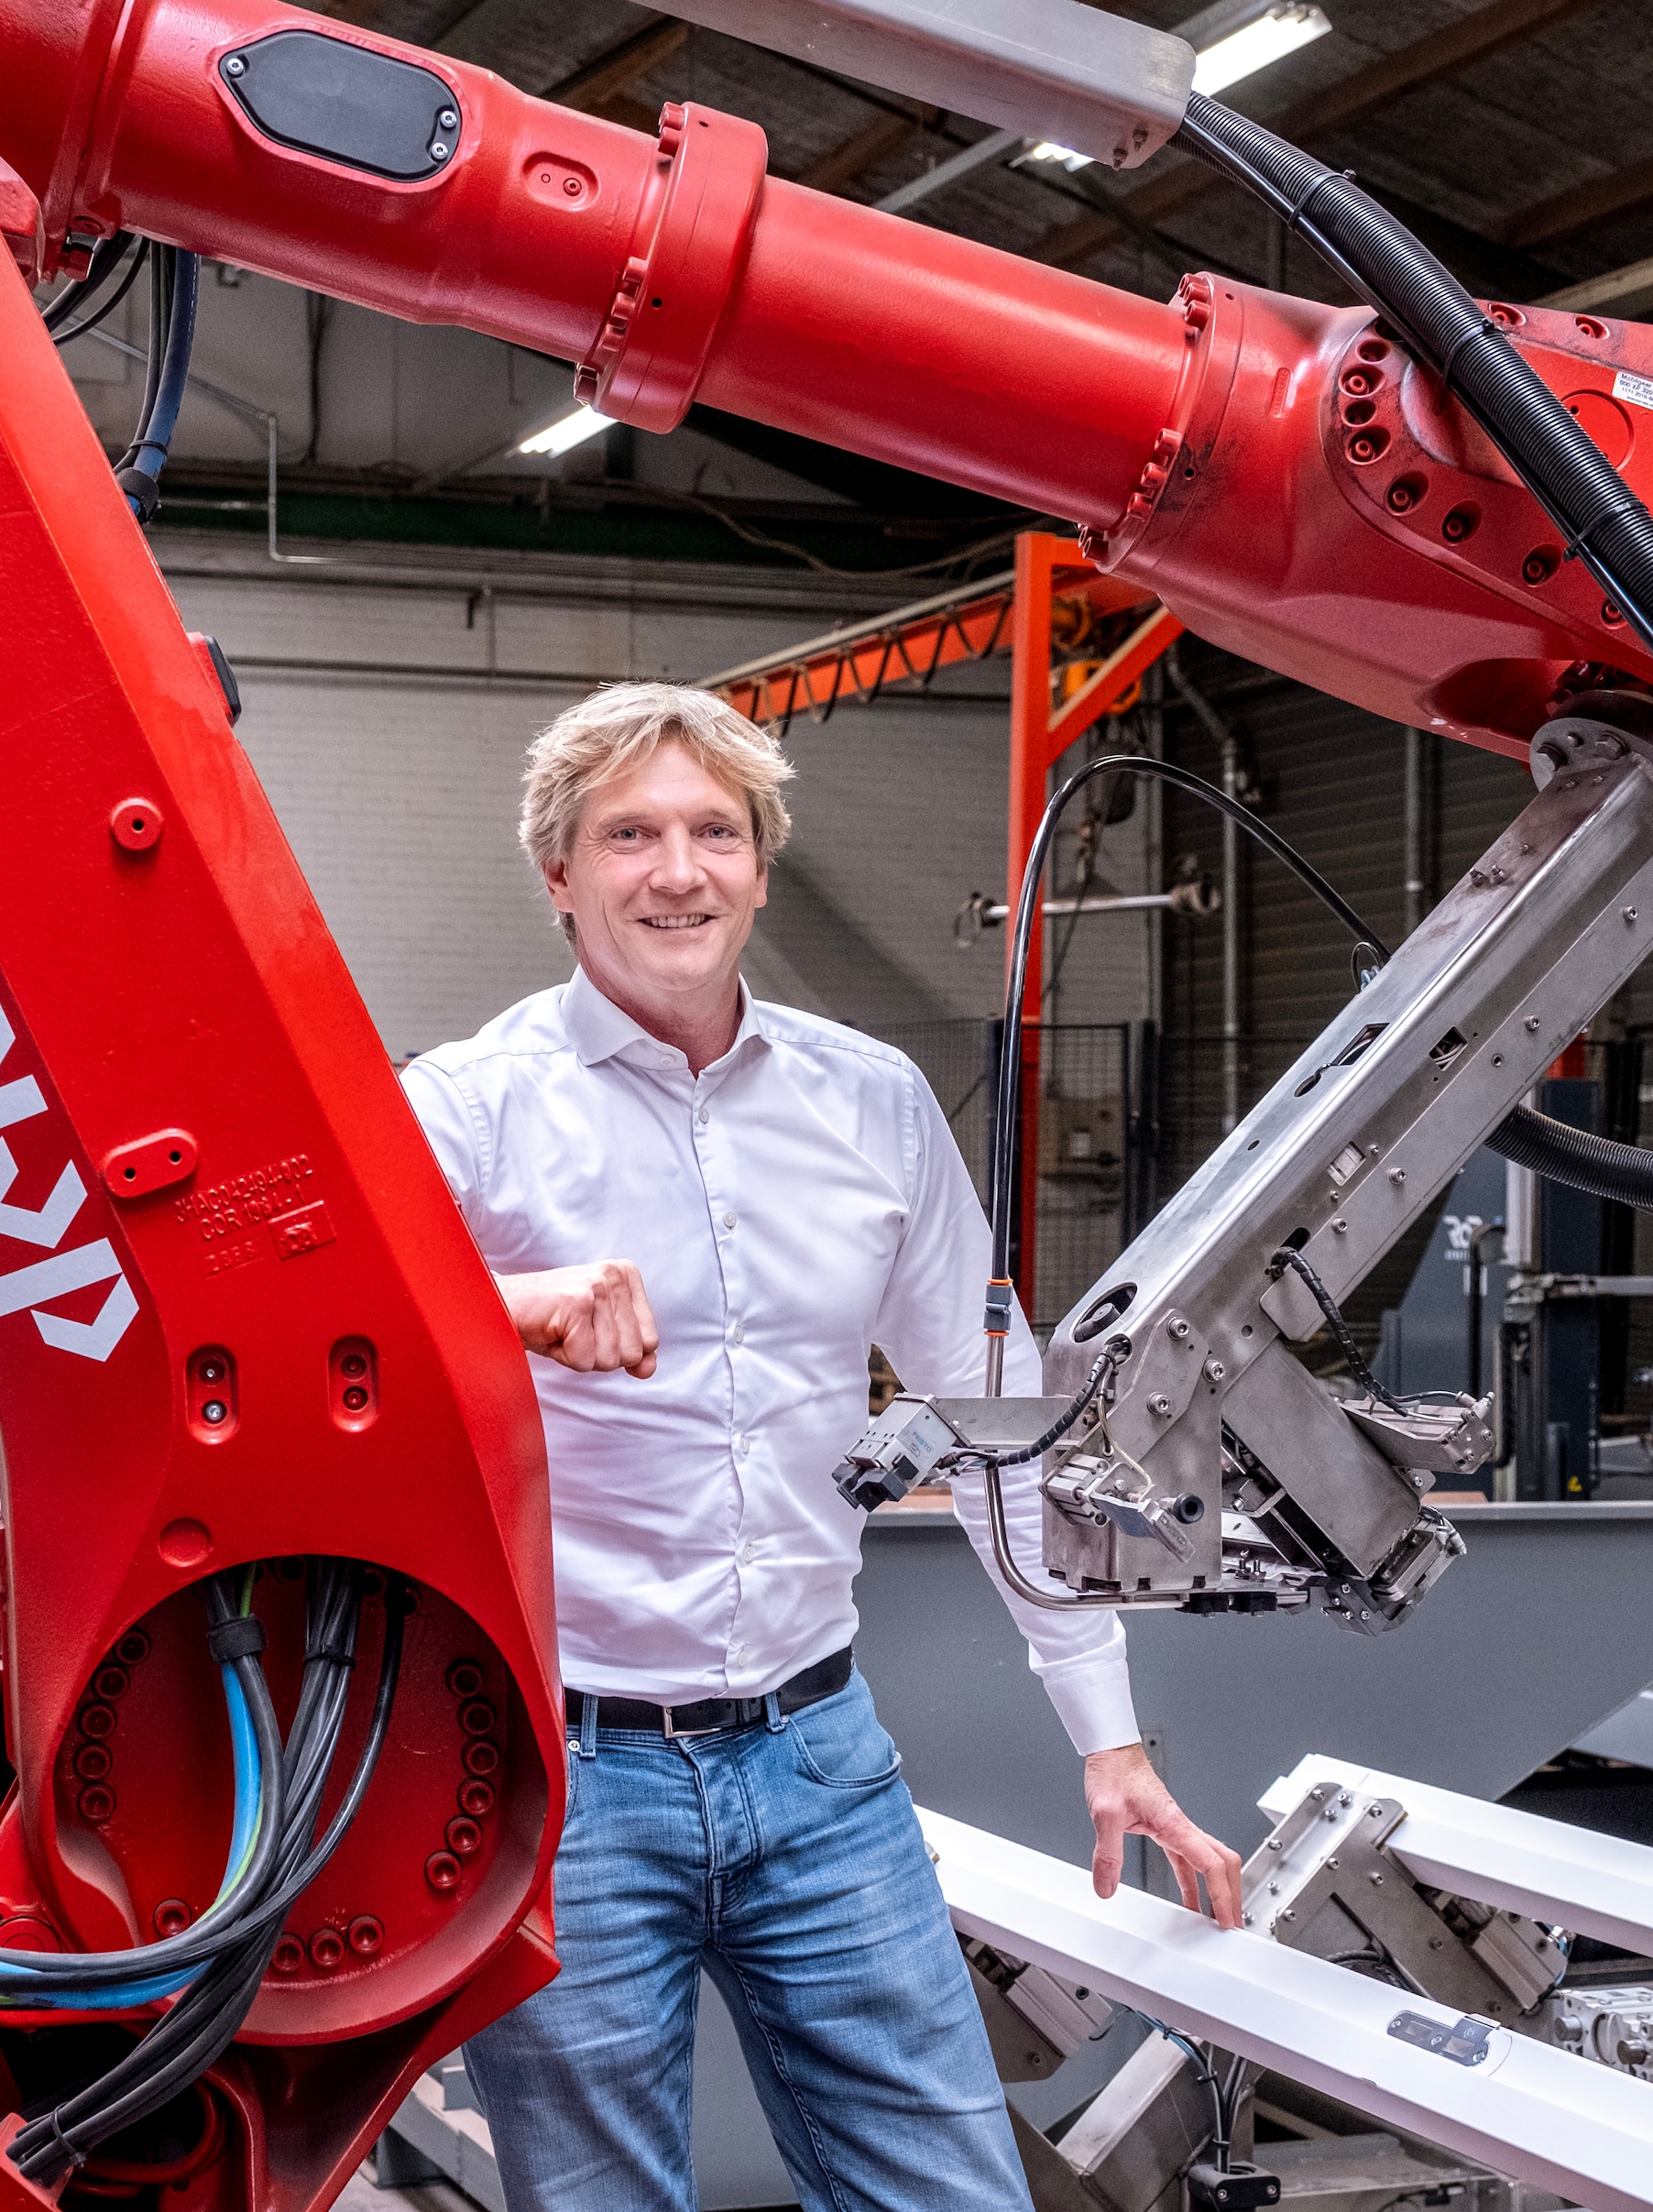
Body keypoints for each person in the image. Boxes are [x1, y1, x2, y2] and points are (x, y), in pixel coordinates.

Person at [402, 682, 1242, 2212]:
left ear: (762, 865)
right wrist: (501, 1304)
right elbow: (306, 1338)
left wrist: (1109, 1739)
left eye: (715, 830)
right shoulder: (466, 1111)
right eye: (631, 834)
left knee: (952, 2192)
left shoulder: (875, 1105)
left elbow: (995, 1428)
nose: (678, 870)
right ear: (560, 875)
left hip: (819, 1761)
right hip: (564, 1779)